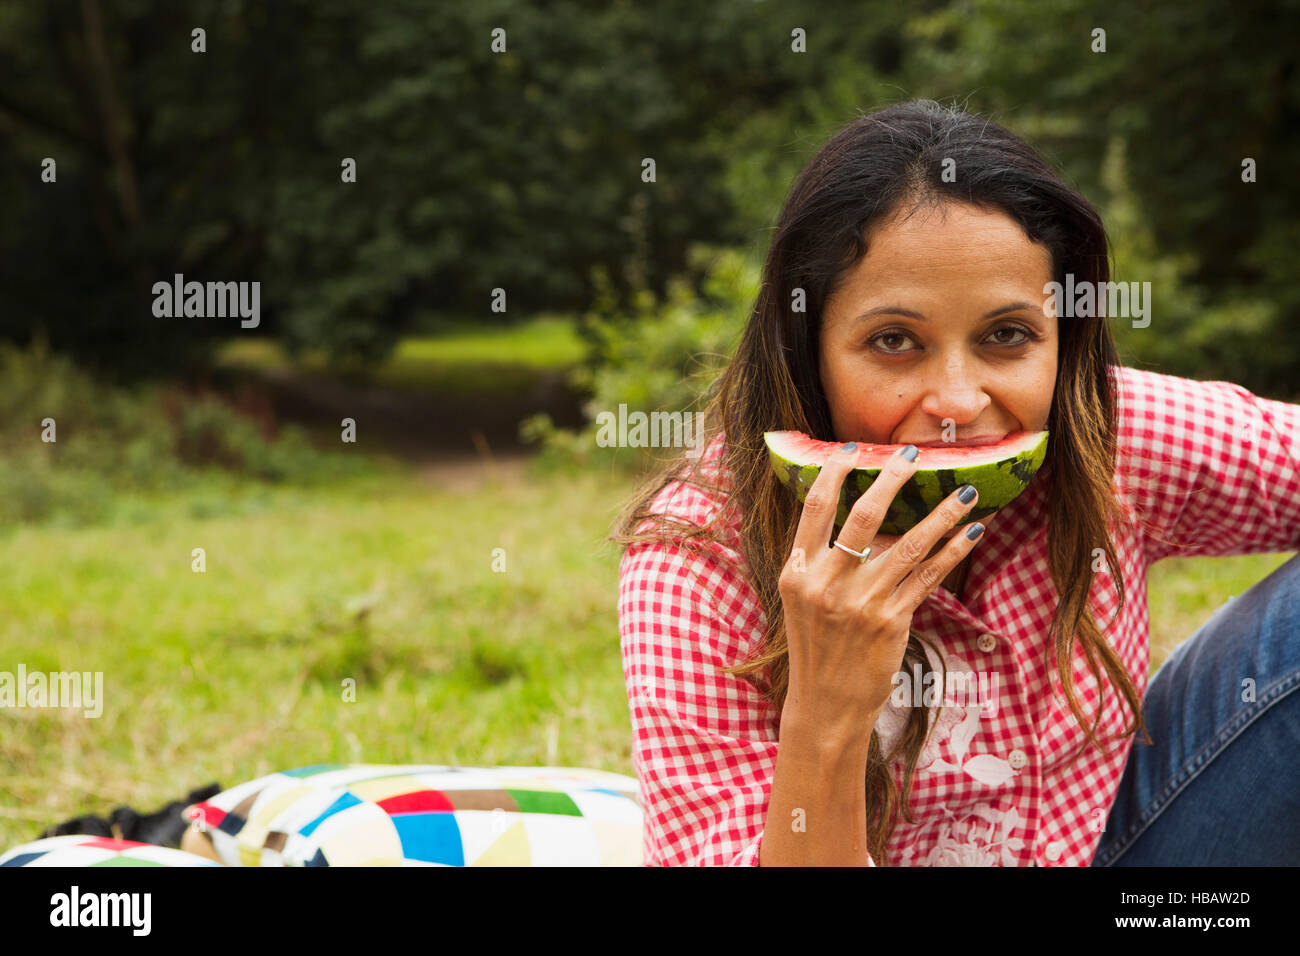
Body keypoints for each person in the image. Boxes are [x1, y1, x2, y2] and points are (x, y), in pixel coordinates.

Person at [612, 100, 1300, 866]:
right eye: (894, 341)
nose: (958, 404)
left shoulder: (1107, 432)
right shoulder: (699, 557)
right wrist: (828, 711)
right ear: (809, 353)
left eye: (1006, 336)